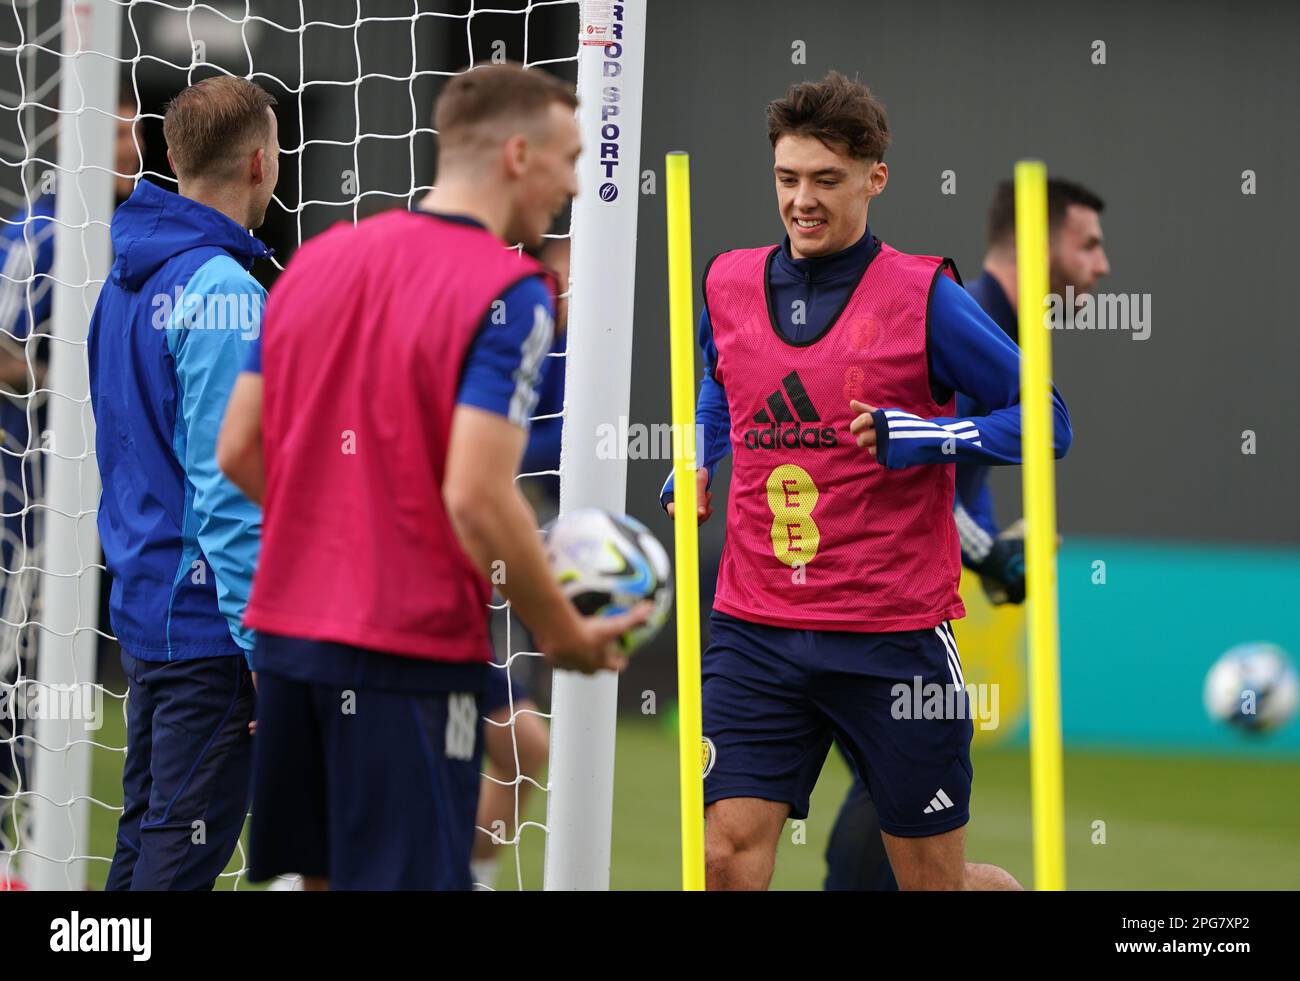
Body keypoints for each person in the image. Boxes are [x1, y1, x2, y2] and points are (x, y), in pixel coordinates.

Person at [218, 63, 646, 891]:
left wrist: (339, 526)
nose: (572, 184)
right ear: (518, 153)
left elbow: (238, 448)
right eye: (567, 159)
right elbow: (478, 492)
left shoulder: (316, 256)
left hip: (288, 638)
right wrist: (559, 628)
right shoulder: (513, 291)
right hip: (405, 652)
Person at [662, 71, 1071, 890]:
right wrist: (695, 455)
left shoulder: (926, 297)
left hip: (892, 636)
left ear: (874, 179)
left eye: (826, 180)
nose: (802, 200)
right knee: (721, 858)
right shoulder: (725, 282)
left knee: (927, 883)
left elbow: (1046, 418)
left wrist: (925, 433)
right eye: (787, 178)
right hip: (755, 628)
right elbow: (718, 378)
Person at [823, 177, 1108, 890]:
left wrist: (993, 556)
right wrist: (991, 553)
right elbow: (887, 462)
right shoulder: (970, 316)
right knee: (888, 831)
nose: (1103, 267)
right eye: (1090, 244)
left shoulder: (1008, 327)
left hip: (884, 602)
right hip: (855, 604)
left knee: (886, 833)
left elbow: (955, 477)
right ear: (1042, 246)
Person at [89, 76, 279, 890]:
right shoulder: (226, 291)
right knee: (176, 858)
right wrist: (263, 638)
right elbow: (227, 486)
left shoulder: (123, 276)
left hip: (146, 603)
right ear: (263, 164)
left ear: (170, 156)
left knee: (147, 844)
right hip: (208, 623)